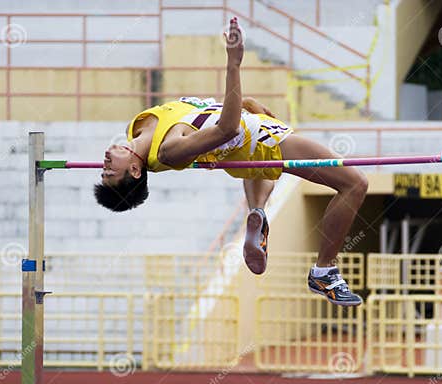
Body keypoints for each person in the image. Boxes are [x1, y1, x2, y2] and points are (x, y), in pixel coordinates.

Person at [94, 17, 368, 306]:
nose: (105, 164)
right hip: (262, 141)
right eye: (110, 173)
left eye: (103, 170)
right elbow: (227, 128)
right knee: (355, 184)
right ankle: (324, 271)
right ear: (135, 171)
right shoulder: (168, 151)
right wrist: (234, 63)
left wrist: (248, 103)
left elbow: (206, 113)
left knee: (263, 170)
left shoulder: (136, 127)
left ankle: (258, 213)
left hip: (252, 141)